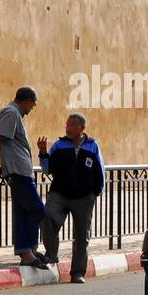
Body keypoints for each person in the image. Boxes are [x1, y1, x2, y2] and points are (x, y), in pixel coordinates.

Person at [0, 86, 47, 269]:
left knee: (23, 212)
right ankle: (27, 250)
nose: (32, 108)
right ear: (27, 101)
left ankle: (28, 251)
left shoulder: (13, 113)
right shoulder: (11, 113)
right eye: (33, 104)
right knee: (38, 210)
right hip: (18, 171)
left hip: (20, 171)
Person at [39, 112, 105, 283]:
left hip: (84, 197)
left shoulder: (92, 146)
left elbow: (101, 172)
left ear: (82, 128)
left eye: (72, 126)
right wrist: (43, 153)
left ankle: (77, 273)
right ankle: (52, 255)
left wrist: (96, 192)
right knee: (47, 218)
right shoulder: (59, 146)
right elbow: (47, 170)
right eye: (67, 125)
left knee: (82, 236)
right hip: (59, 193)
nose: (68, 128)